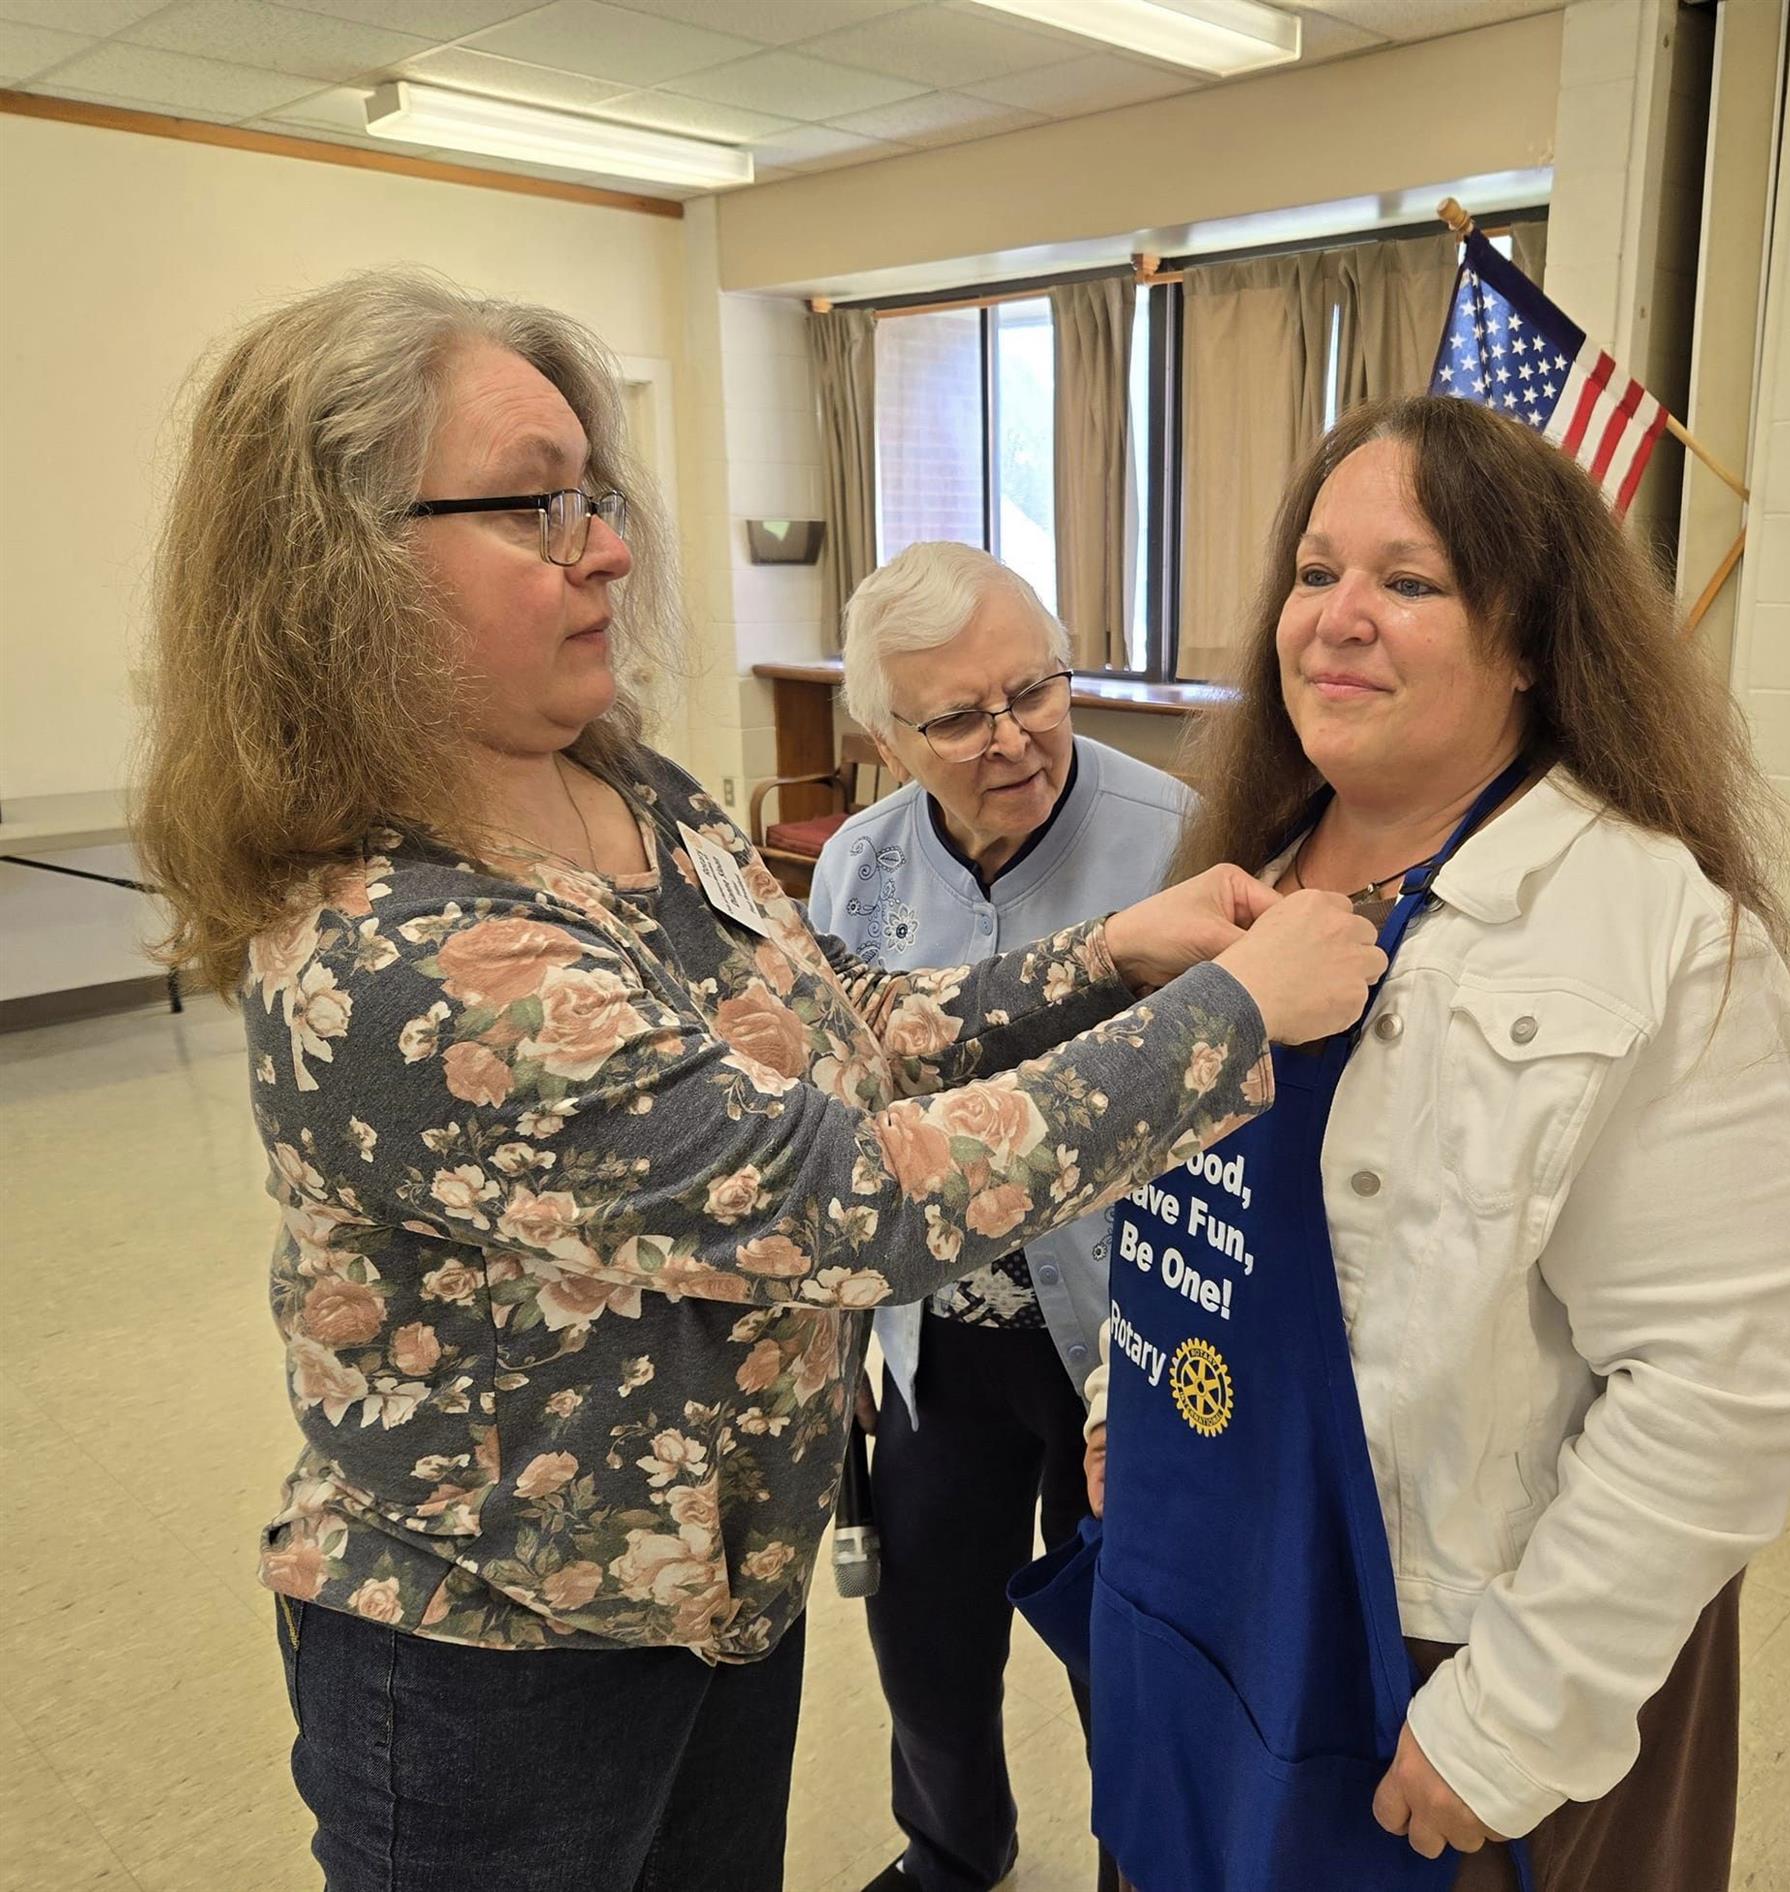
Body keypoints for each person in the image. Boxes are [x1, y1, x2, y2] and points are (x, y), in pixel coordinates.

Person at [132, 268, 1388, 1892]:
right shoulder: (408, 951)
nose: (607, 544)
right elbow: (834, 1194)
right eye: (531, 505)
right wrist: (1227, 1015)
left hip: (719, 1592)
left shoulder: (620, 787)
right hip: (507, 1661)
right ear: (338, 571)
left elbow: (829, 1037)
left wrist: (1111, 957)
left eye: (593, 492)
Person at [1068, 394, 1790, 1892]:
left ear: (1534, 642)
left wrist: (1514, 1722)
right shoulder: (1242, 883)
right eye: (1312, 572)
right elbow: (1185, 1206)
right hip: (1211, 1566)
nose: (1336, 620)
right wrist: (1122, 1391)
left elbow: (1722, 1388)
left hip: (1453, 1642)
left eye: (1408, 583)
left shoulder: (1657, 934)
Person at [810, 542, 1189, 1892]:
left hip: (1121, 1336)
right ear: (885, 734)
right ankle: (952, 1851)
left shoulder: (1178, 840)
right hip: (936, 1336)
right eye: (961, 717)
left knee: (1125, 1637)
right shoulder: (855, 874)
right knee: (926, 1640)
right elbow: (833, 1135)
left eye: (1036, 688)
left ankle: (1140, 1862)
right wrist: (844, 1350)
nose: (1013, 736)